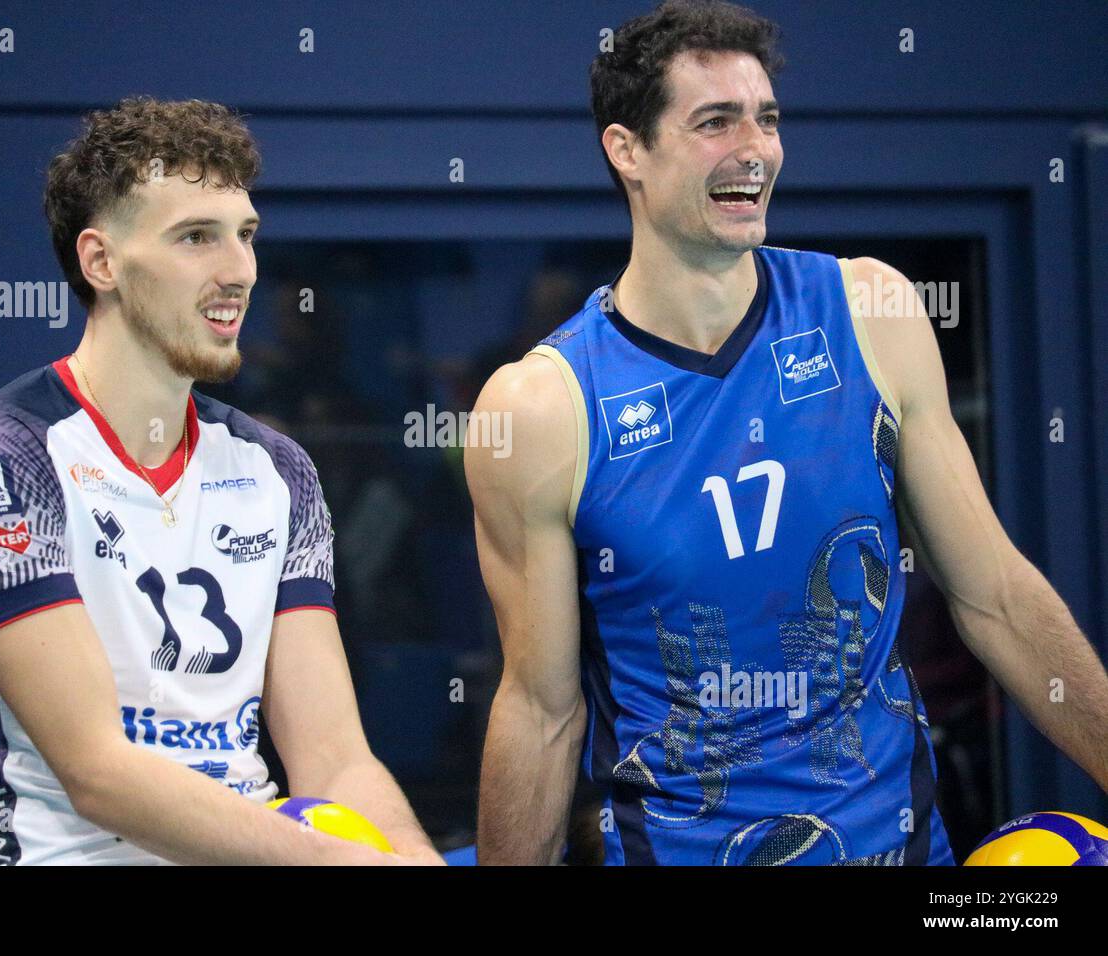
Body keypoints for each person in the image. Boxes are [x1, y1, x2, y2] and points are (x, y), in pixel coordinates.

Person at [466, 0, 1108, 865]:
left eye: (766, 118)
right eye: (715, 122)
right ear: (628, 152)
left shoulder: (869, 309)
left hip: (903, 852)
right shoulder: (543, 409)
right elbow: (540, 714)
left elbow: (991, 591)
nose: (755, 149)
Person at [0, 97, 440, 865]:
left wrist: (409, 859)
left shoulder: (277, 469)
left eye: (246, 236)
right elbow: (99, 774)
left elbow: (334, 760)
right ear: (101, 263)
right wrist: (338, 863)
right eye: (196, 237)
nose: (239, 271)